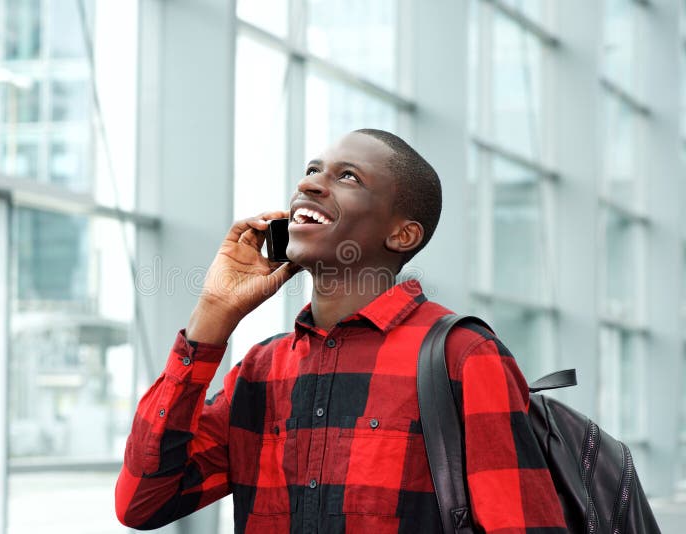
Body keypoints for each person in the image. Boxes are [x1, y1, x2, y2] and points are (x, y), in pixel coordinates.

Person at [114, 129, 567, 533]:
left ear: (402, 235)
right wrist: (212, 317)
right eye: (311, 171)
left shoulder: (463, 356)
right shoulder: (260, 370)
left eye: (346, 177)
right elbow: (142, 503)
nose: (308, 184)